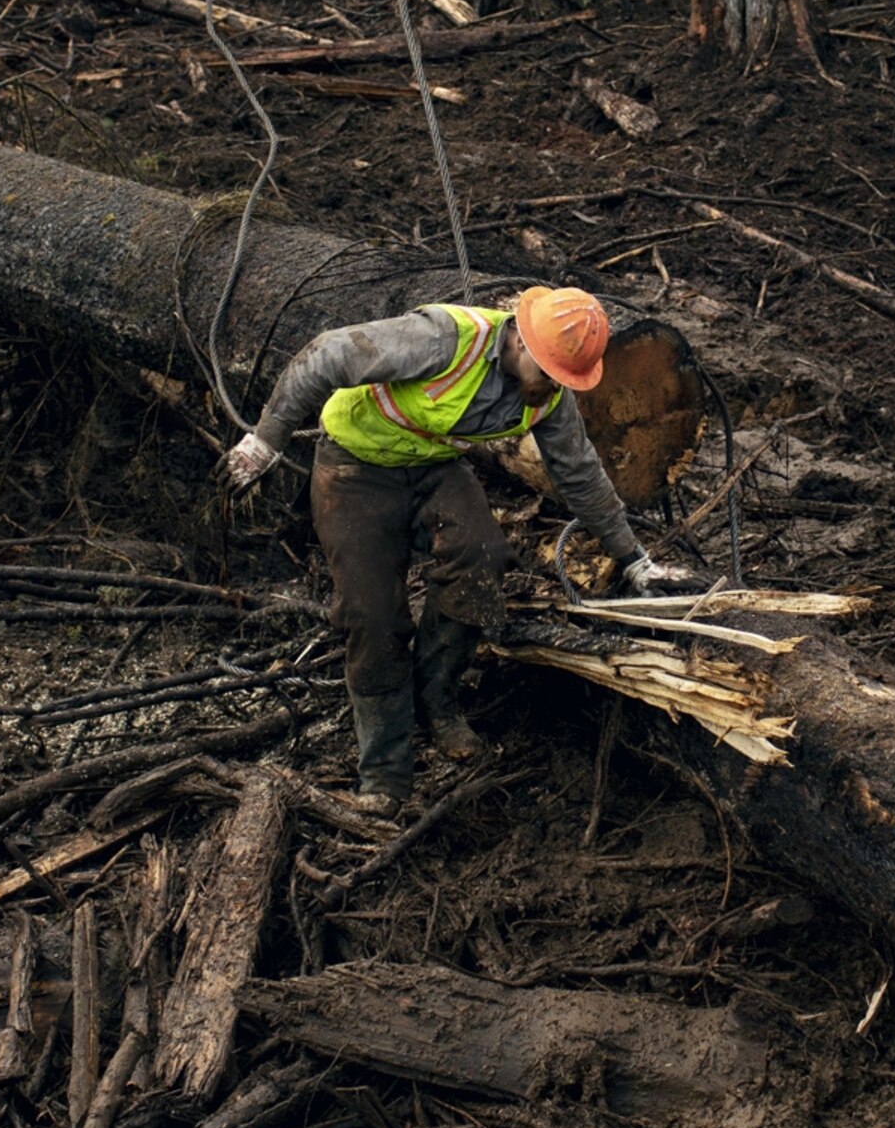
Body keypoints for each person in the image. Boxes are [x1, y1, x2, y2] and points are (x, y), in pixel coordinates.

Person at [223, 285, 693, 813]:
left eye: (569, 380)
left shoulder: (550, 396)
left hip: (433, 467)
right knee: (372, 616)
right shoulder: (444, 340)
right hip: (356, 467)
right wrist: (266, 439)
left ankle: (438, 700)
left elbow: (579, 472)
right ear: (521, 344)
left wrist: (634, 559)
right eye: (553, 374)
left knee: (483, 559)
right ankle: (384, 773)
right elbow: (328, 354)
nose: (558, 389)